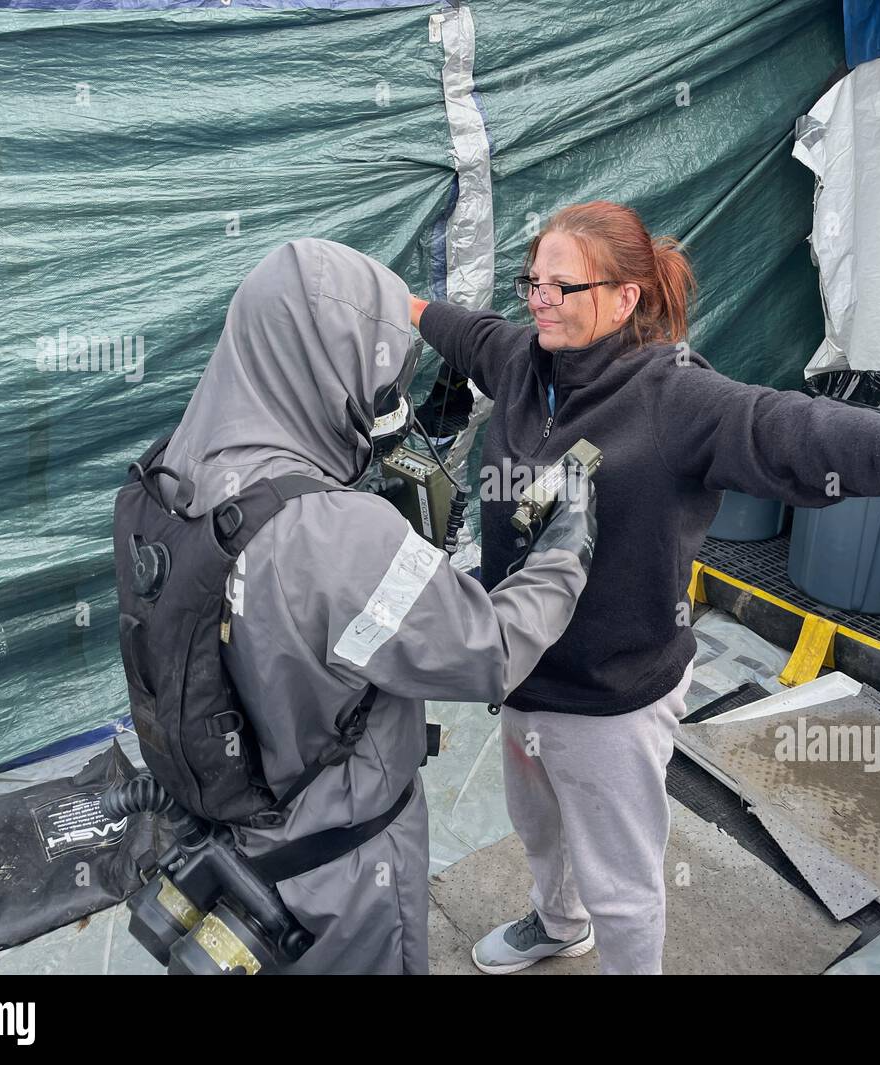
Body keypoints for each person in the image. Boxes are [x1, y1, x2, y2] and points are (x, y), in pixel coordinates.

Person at [407, 201, 880, 975]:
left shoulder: (671, 396)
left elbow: (781, 426)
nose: (539, 299)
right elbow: (459, 328)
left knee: (621, 880)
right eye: (533, 282)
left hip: (614, 690)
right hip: (522, 672)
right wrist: (396, 303)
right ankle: (558, 922)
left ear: (625, 298)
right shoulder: (522, 359)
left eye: (562, 286)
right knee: (541, 826)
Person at [154, 237, 595, 973]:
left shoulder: (175, 466)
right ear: (329, 364)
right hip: (343, 860)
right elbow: (484, 650)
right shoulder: (331, 535)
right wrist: (562, 554)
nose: (383, 401)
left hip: (232, 828)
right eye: (375, 376)